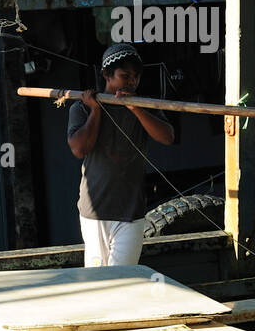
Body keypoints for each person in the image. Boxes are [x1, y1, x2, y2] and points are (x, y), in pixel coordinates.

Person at [67, 42, 175, 267]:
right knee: (98, 284)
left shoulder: (144, 106)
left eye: (135, 77)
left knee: (124, 279)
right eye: (125, 76)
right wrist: (96, 110)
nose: (131, 82)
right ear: (107, 75)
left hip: (130, 213)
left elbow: (167, 137)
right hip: (93, 211)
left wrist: (135, 108)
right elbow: (79, 149)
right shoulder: (82, 108)